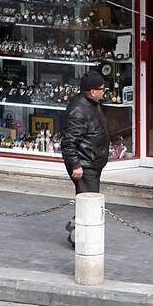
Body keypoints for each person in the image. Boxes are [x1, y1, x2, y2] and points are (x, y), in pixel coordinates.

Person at [61, 69, 111, 242]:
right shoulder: (79, 110)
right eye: (102, 89)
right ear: (92, 91)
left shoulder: (92, 104)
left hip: (92, 161)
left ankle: (78, 227)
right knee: (89, 202)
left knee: (88, 200)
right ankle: (80, 238)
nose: (104, 92)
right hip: (85, 164)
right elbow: (69, 142)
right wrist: (76, 165)